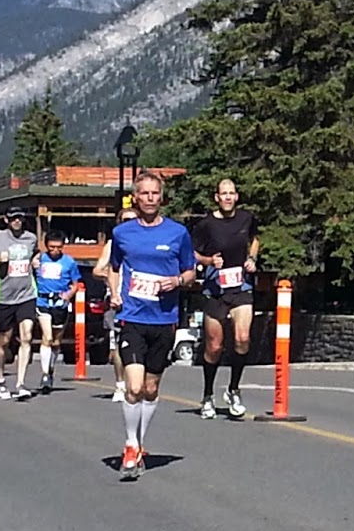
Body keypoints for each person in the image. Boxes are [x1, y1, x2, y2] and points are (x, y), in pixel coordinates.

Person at [102, 173, 196, 481]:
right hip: (132, 318)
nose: (150, 198)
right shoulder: (122, 232)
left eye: (155, 193)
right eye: (144, 193)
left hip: (164, 319)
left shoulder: (178, 233)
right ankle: (130, 444)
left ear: (161, 197)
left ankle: (140, 443)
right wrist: (114, 292)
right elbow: (114, 267)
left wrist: (177, 281)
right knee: (133, 387)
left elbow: (191, 271)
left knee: (151, 389)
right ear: (136, 198)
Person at [192, 178, 260, 420]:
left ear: (237, 197)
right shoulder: (206, 224)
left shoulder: (246, 218)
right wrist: (209, 261)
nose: (228, 197)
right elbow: (192, 253)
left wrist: (251, 259)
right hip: (215, 287)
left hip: (241, 285)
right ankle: (208, 394)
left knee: (242, 339)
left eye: (232, 193)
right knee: (214, 346)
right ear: (216, 198)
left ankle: (233, 390)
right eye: (224, 194)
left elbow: (255, 240)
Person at [0, 208, 40, 400]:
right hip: (3, 296)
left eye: (20, 218)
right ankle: (0, 378)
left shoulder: (30, 238)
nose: (17, 221)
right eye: (13, 218)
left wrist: (36, 261)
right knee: (4, 340)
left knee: (27, 336)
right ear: (6, 220)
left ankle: (21, 383)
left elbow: (36, 253)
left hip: (27, 294)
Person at [32, 232, 81, 394]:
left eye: (59, 247)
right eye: (52, 247)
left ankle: (51, 369)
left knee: (56, 341)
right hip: (43, 302)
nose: (55, 250)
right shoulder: (39, 259)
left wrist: (68, 295)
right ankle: (45, 374)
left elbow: (75, 284)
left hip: (60, 304)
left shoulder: (69, 262)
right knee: (47, 337)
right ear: (46, 246)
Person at [95, 208, 135, 402]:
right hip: (118, 300)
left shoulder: (145, 242)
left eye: (133, 220)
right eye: (125, 220)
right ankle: (120, 385)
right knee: (119, 344)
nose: (129, 223)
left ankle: (136, 384)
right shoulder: (112, 245)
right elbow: (97, 270)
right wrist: (112, 278)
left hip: (141, 299)